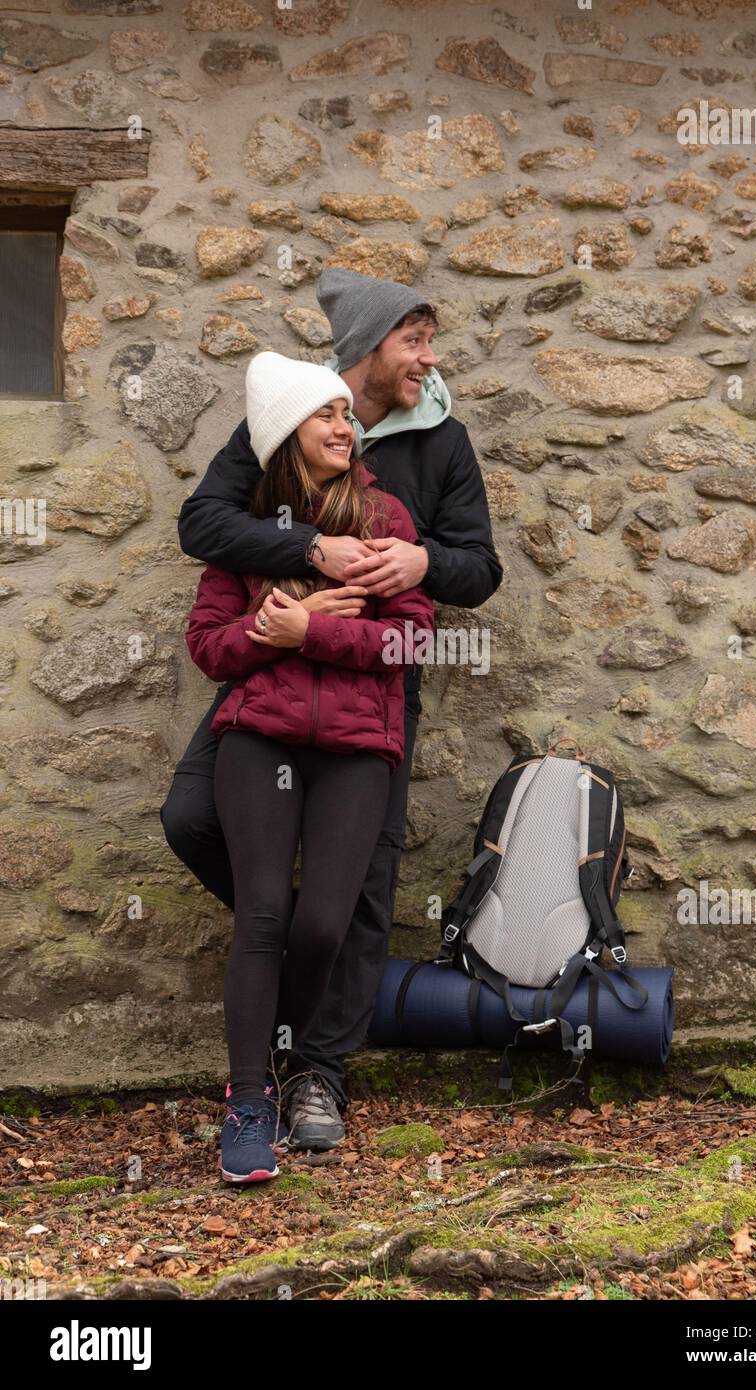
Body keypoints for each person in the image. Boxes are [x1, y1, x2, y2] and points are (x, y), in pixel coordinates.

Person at [161, 267, 503, 1152]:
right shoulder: (283, 423)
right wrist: (313, 550)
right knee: (191, 819)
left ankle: (317, 1071)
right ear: (366, 351)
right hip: (267, 673)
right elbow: (204, 525)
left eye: (428, 343)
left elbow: (478, 570)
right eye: (414, 343)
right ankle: (275, 958)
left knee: (359, 890)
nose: (429, 360)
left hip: (370, 694)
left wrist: (418, 565)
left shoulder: (441, 443)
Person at [184, 353, 434, 1182]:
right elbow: (206, 647)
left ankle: (304, 1068)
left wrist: (312, 633)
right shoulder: (249, 523)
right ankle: (249, 1100)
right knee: (261, 917)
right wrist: (266, 629)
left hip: (359, 751)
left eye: (344, 413)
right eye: (324, 414)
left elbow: (407, 640)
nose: (343, 425)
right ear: (286, 433)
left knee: (323, 922)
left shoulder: (385, 516)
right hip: (260, 739)